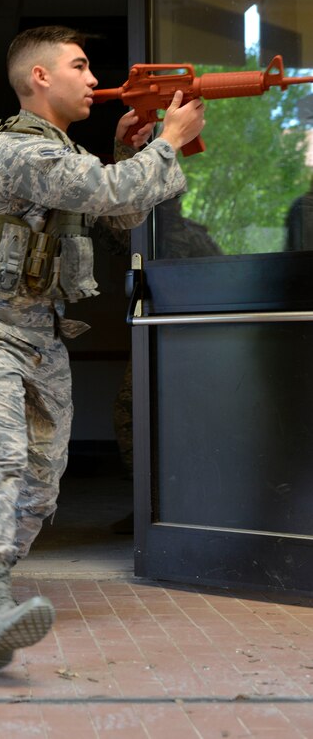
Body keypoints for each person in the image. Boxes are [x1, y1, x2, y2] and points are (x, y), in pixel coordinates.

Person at [0, 25, 205, 670]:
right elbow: (112, 191)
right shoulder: (19, 149)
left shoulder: (61, 153)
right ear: (40, 78)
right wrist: (167, 140)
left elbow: (118, 216)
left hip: (39, 335)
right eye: (79, 66)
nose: (92, 78)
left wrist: (127, 148)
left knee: (41, 488)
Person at [98, 196, 222, 534]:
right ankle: (148, 510)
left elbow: (221, 279)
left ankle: (186, 510)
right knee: (132, 412)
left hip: (193, 342)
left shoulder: (192, 235)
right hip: (154, 333)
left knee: (187, 421)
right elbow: (113, 230)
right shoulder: (143, 228)